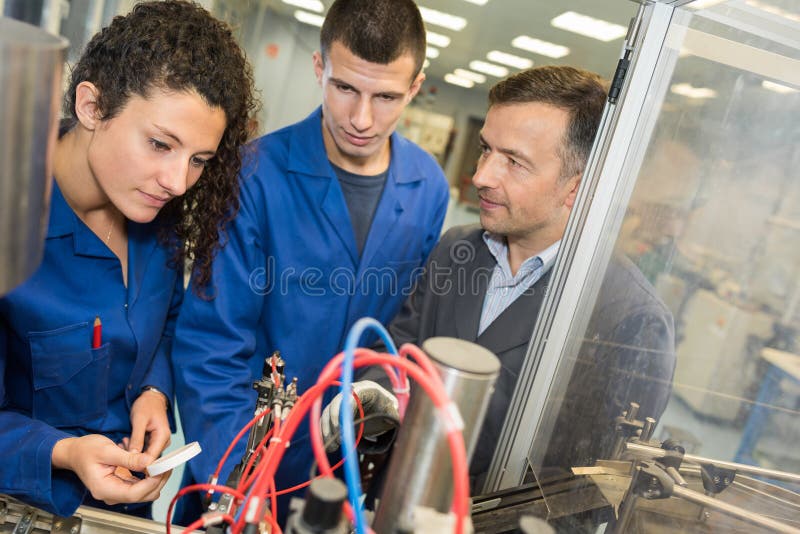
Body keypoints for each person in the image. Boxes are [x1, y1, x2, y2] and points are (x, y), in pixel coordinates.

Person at [325, 65, 676, 491]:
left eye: (513, 162)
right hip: (394, 495)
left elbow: (587, 489)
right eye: (486, 150)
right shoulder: (457, 250)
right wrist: (378, 397)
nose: (481, 176)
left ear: (577, 187)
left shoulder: (630, 319)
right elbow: (399, 348)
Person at [171, 0, 449, 524]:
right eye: (345, 87)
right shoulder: (254, 175)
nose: (362, 119)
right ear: (319, 67)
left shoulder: (428, 187)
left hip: (346, 471)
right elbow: (211, 345)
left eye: (386, 96)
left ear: (415, 87)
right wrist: (237, 488)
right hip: (243, 453)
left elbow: (402, 335)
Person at [0, 0, 258, 518]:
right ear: (92, 107)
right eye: (160, 144)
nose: (178, 181)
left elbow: (167, 318)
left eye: (198, 160)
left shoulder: (152, 209)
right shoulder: (14, 226)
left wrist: (154, 392)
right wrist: (65, 452)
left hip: (126, 511)